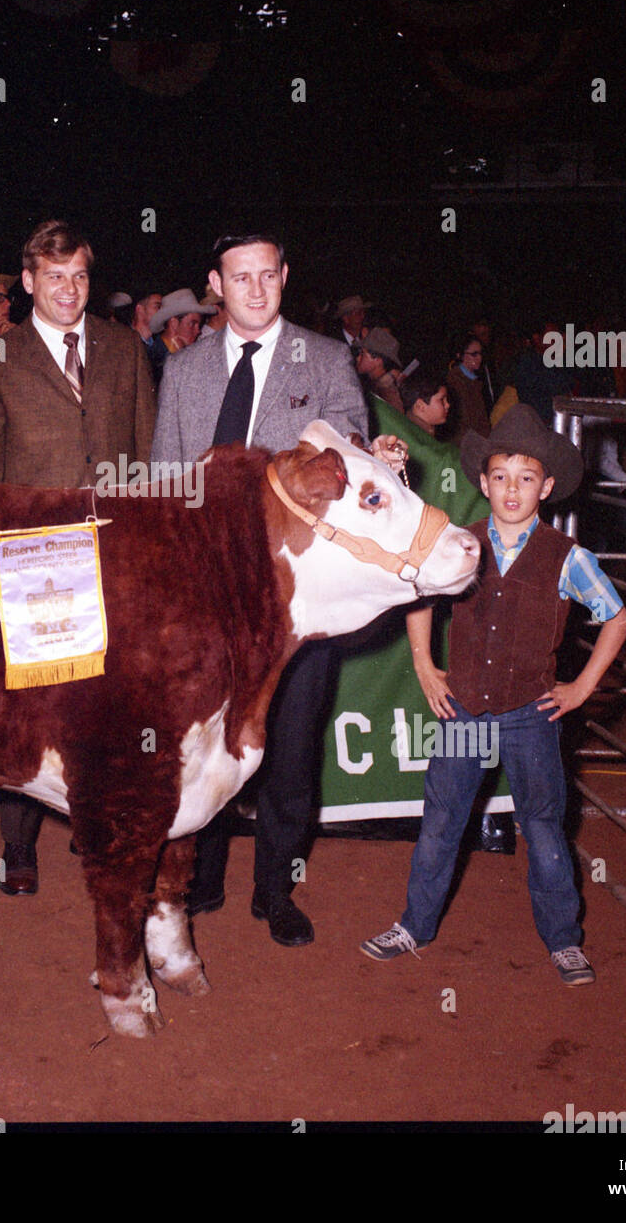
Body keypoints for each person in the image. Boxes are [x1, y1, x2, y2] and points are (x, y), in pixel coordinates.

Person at [152, 232, 404, 947]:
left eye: (268, 275)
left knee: (291, 752)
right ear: (216, 284)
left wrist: (377, 457)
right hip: (208, 603)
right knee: (204, 747)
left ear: (285, 277)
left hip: (299, 603)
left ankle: (276, 890)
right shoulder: (184, 369)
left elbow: (348, 473)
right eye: (240, 277)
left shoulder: (324, 361)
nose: (256, 290)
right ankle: (198, 877)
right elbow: (165, 481)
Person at [360, 405, 626, 986]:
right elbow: (421, 597)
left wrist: (582, 688)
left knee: (544, 826)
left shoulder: (567, 557)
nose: (512, 489)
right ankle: (414, 924)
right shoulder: (461, 543)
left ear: (547, 486)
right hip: (465, 710)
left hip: (531, 714)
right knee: (441, 820)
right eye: (501, 476)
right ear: (483, 482)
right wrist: (426, 667)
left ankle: (563, 939)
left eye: (526, 478)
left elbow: (617, 619)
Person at [0, 219, 156, 895]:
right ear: (30, 281)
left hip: (111, 552)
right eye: (55, 276)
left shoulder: (125, 348)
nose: (69, 289)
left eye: (79, 276)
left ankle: (92, 820)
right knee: (32, 705)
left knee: (106, 700)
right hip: (33, 558)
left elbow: (146, 456)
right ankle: (18, 846)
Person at [147, 287, 217, 385]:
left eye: (199, 325)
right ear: (174, 323)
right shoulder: (155, 363)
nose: (198, 331)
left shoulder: (183, 357)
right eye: (192, 324)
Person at [447, 331, 491, 443]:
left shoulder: (475, 380)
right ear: (459, 355)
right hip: (465, 443)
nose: (479, 358)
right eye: (474, 354)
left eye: (480, 353)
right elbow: (464, 422)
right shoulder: (455, 381)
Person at [354, 326, 405, 414]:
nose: (358, 358)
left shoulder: (387, 394)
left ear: (377, 360)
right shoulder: (372, 383)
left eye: (362, 353)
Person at [400, 370, 451, 438]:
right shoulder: (415, 437)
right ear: (420, 405)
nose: (447, 405)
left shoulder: (425, 432)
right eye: (441, 400)